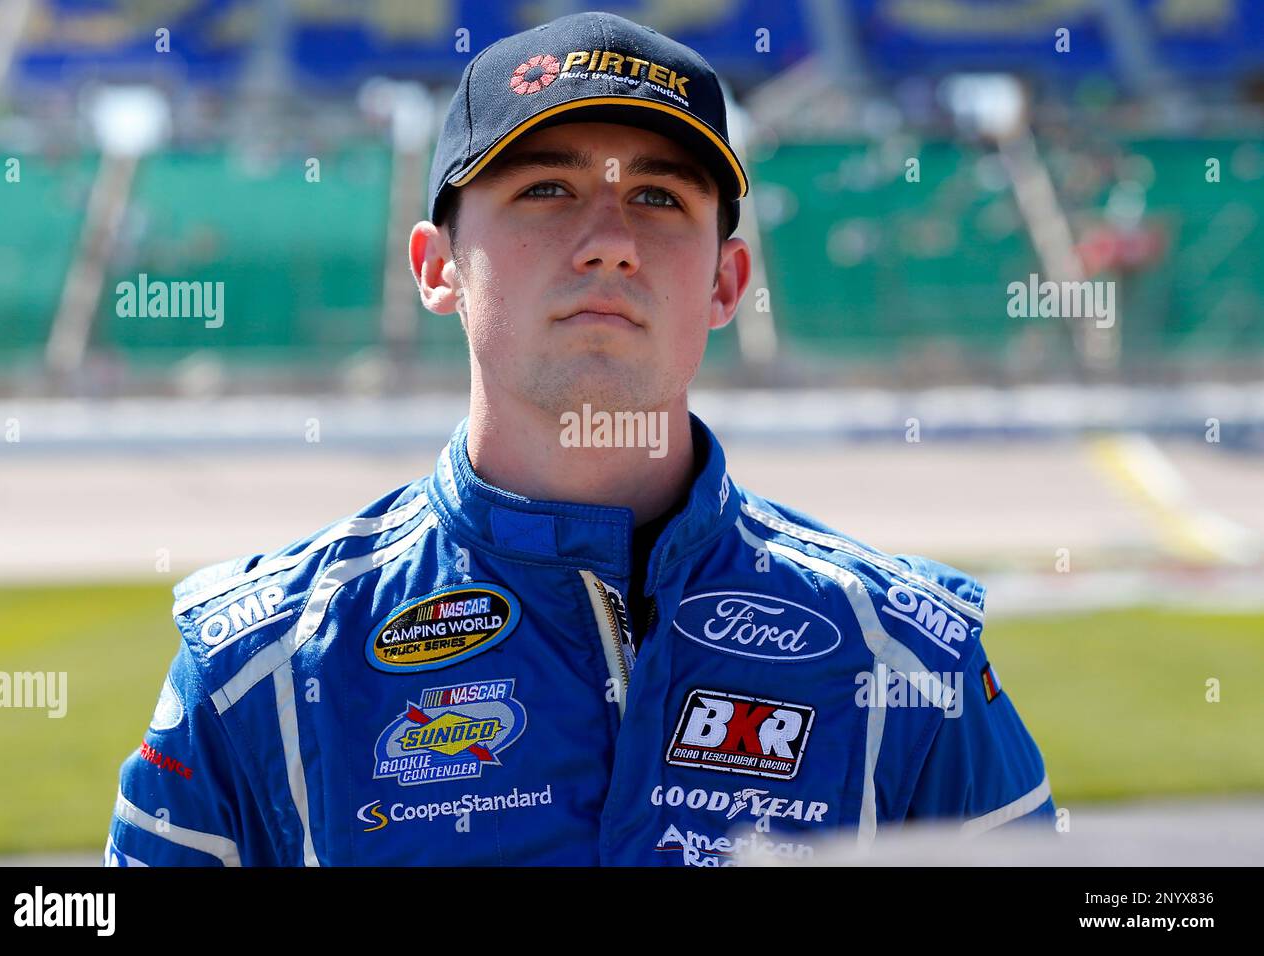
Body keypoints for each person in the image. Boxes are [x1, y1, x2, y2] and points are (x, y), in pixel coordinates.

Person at [104, 11, 1053, 867]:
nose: (610, 241)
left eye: (659, 198)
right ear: (437, 268)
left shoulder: (909, 661)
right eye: (548, 188)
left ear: (727, 284)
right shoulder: (257, 669)